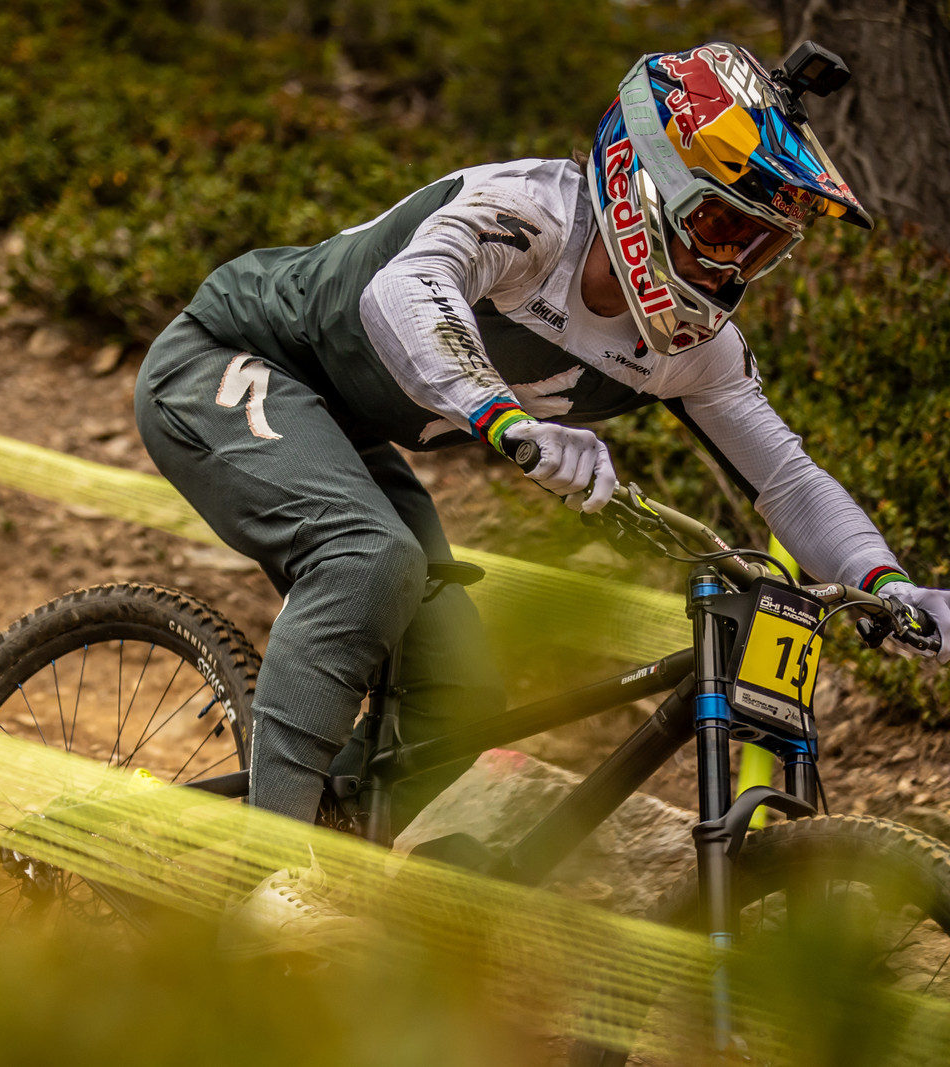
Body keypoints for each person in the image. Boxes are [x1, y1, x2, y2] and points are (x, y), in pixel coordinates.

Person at [132, 41, 950, 944]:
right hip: (234, 360)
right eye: (721, 229)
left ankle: (336, 852)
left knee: (460, 690)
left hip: (350, 428)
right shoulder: (529, 216)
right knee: (368, 558)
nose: (731, 270)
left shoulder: (693, 347)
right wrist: (508, 419)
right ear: (648, 184)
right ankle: (269, 872)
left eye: (759, 248)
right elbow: (408, 289)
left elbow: (788, 476)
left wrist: (887, 584)